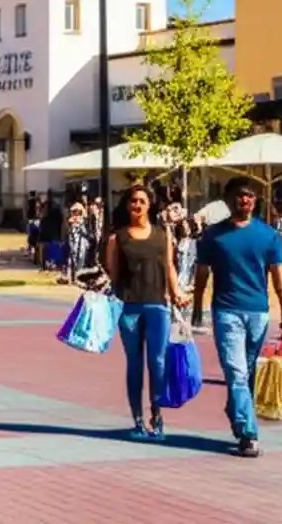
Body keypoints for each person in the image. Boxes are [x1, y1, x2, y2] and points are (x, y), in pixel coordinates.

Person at [193, 176, 282, 458]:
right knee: (236, 372)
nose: (244, 200)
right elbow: (202, 274)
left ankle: (236, 410)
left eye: (249, 196)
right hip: (226, 311)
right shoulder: (213, 236)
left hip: (258, 312)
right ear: (227, 199)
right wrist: (198, 306)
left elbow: (279, 278)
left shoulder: (268, 235)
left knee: (246, 372)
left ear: (256, 200)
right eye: (238, 195)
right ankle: (249, 434)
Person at [104, 184, 186, 441]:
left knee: (158, 362)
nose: (137, 205)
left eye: (141, 201)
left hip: (157, 306)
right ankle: (137, 419)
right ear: (127, 206)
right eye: (133, 201)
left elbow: (170, 267)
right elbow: (113, 274)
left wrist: (177, 293)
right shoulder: (117, 238)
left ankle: (157, 414)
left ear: (149, 205)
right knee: (135, 364)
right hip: (128, 306)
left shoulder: (163, 235)